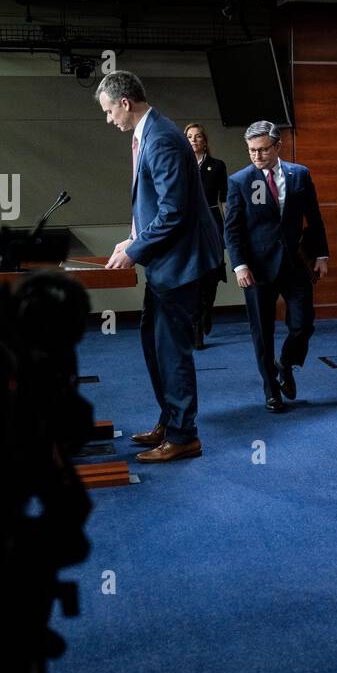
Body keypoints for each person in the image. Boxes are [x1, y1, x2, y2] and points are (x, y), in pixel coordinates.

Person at [97, 70, 223, 462]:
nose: (108, 119)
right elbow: (153, 204)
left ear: (125, 103)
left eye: (108, 112)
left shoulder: (163, 138)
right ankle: (170, 421)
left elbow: (173, 211)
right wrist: (132, 238)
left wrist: (135, 252)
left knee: (172, 351)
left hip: (181, 263)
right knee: (153, 344)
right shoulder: (148, 134)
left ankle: (185, 437)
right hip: (166, 261)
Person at [223, 119, 329, 412]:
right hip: (256, 270)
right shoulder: (240, 181)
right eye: (251, 151)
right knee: (262, 331)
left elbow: (315, 218)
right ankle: (271, 390)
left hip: (294, 265)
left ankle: (286, 362)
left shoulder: (299, 175)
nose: (257, 156)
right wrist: (240, 265)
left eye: (263, 150)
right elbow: (232, 229)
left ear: (278, 146)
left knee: (303, 324)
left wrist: (321, 255)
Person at [185, 122, 229, 349]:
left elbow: (225, 200)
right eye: (190, 136)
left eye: (198, 136)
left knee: (211, 276)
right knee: (194, 277)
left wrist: (229, 229)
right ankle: (196, 327)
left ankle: (207, 311)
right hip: (188, 226)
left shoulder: (217, 166)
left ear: (205, 141)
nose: (194, 140)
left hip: (212, 223)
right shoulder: (180, 165)